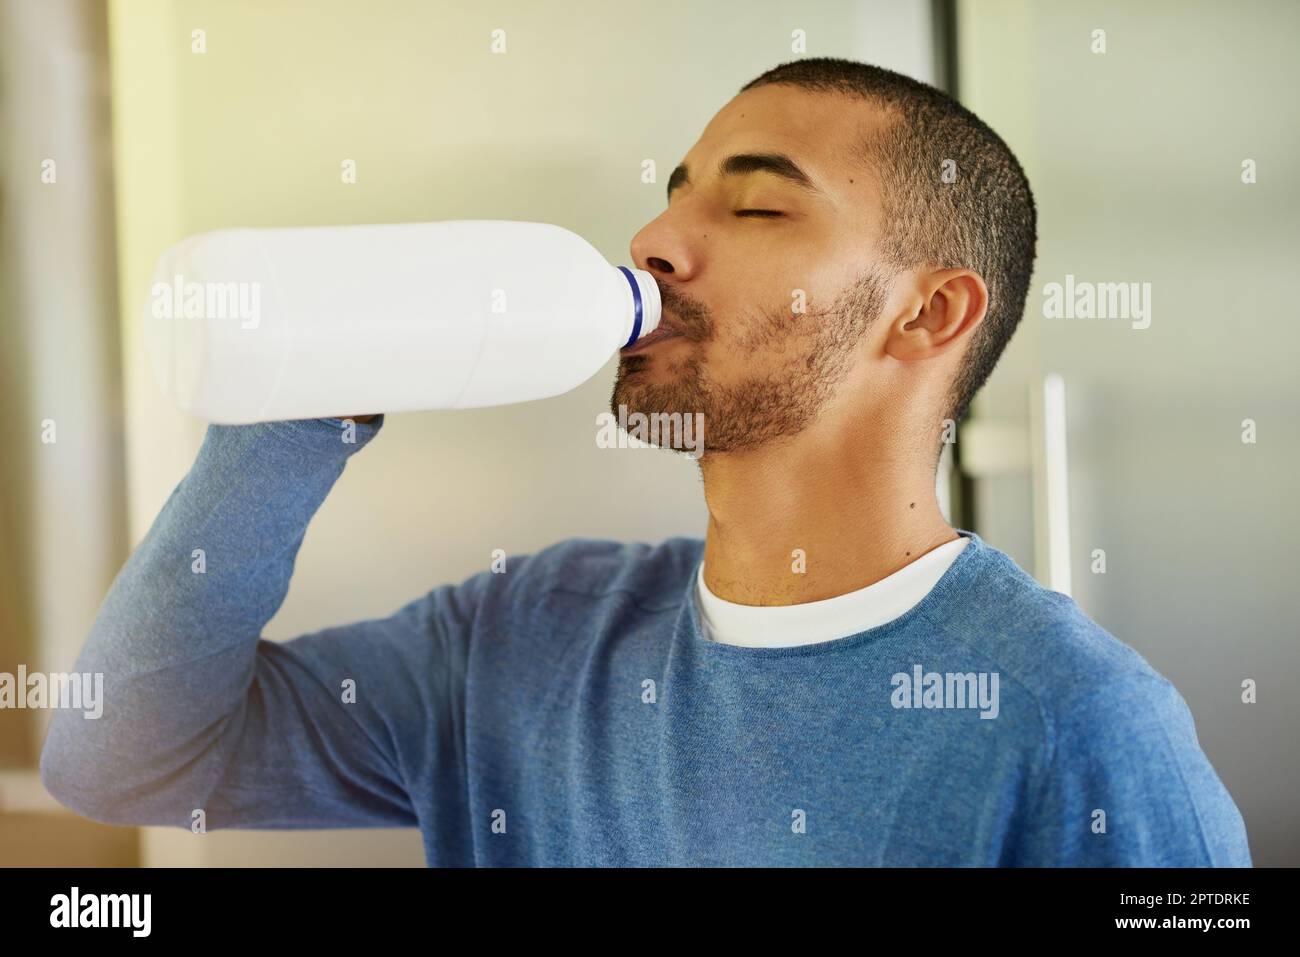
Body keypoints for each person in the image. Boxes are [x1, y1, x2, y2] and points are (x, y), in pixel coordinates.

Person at [41, 57, 1251, 866]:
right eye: (672, 198)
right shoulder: (525, 635)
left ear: (928, 316)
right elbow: (126, 755)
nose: (658, 240)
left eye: (757, 208)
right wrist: (301, 387)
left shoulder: (1076, 727)